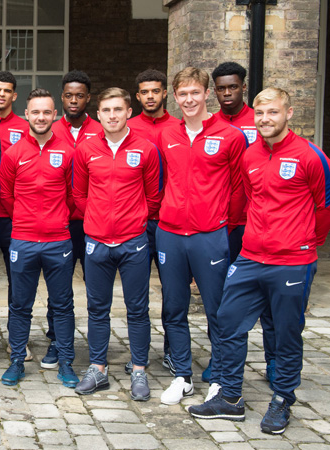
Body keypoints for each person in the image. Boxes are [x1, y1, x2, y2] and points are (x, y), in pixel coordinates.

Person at [187, 87, 330, 434]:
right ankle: (230, 397)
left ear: (289, 113)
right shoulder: (251, 155)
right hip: (251, 257)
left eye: (272, 112)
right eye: (260, 113)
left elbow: (326, 206)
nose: (265, 119)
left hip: (291, 262)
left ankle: (283, 399)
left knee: (286, 333)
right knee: (226, 322)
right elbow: (251, 198)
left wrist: (303, 243)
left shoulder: (311, 156)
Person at [156, 67, 247, 405]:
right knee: (174, 308)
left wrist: (223, 223)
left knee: (217, 309)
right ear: (175, 97)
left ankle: (221, 377)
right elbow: (161, 180)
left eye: (195, 92)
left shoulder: (230, 136)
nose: (189, 99)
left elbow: (240, 189)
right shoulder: (167, 134)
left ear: (206, 93)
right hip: (170, 233)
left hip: (210, 234)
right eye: (183, 94)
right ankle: (182, 375)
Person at [72, 88, 161, 400]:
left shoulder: (146, 149)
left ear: (128, 112)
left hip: (133, 241)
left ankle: (139, 370)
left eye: (118, 110)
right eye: (106, 110)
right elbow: (79, 195)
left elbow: (153, 197)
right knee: (97, 308)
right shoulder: (86, 150)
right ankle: (98, 368)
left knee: (137, 309)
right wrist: (98, 219)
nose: (112, 116)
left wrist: (131, 219)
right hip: (96, 241)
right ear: (98, 114)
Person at [0, 89, 76, 387]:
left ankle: (66, 362)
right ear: (26, 114)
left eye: (47, 112)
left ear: (54, 115)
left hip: (58, 240)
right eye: (35, 112)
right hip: (23, 240)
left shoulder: (68, 151)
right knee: (20, 304)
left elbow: (74, 196)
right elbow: (6, 196)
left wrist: (54, 219)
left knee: (62, 304)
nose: (41, 117)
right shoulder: (13, 154)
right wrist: (27, 220)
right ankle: (17, 360)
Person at [211, 61, 276, 386]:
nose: (226, 93)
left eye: (232, 87)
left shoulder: (259, 122)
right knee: (224, 299)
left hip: (255, 227)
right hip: (220, 226)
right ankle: (219, 360)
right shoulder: (209, 126)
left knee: (268, 301)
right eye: (221, 88)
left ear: (242, 87)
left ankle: (274, 361)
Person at [43, 70, 103, 369]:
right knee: (60, 289)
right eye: (69, 95)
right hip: (62, 223)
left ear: (88, 98)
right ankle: (56, 340)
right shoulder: (51, 130)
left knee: (95, 288)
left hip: (94, 222)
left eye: (80, 95)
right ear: (61, 97)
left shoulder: (102, 129)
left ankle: (97, 345)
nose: (74, 100)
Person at [126, 69, 182, 376]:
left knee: (172, 291)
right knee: (137, 294)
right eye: (145, 92)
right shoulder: (128, 128)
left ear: (165, 94)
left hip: (168, 221)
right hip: (137, 222)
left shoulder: (178, 127)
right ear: (137, 96)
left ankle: (174, 351)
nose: (150, 96)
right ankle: (138, 354)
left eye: (156, 91)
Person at [0, 71, 30, 357]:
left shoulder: (25, 127)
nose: (1, 94)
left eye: (7, 90)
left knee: (18, 281)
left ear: (14, 96)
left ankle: (17, 339)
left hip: (16, 218)